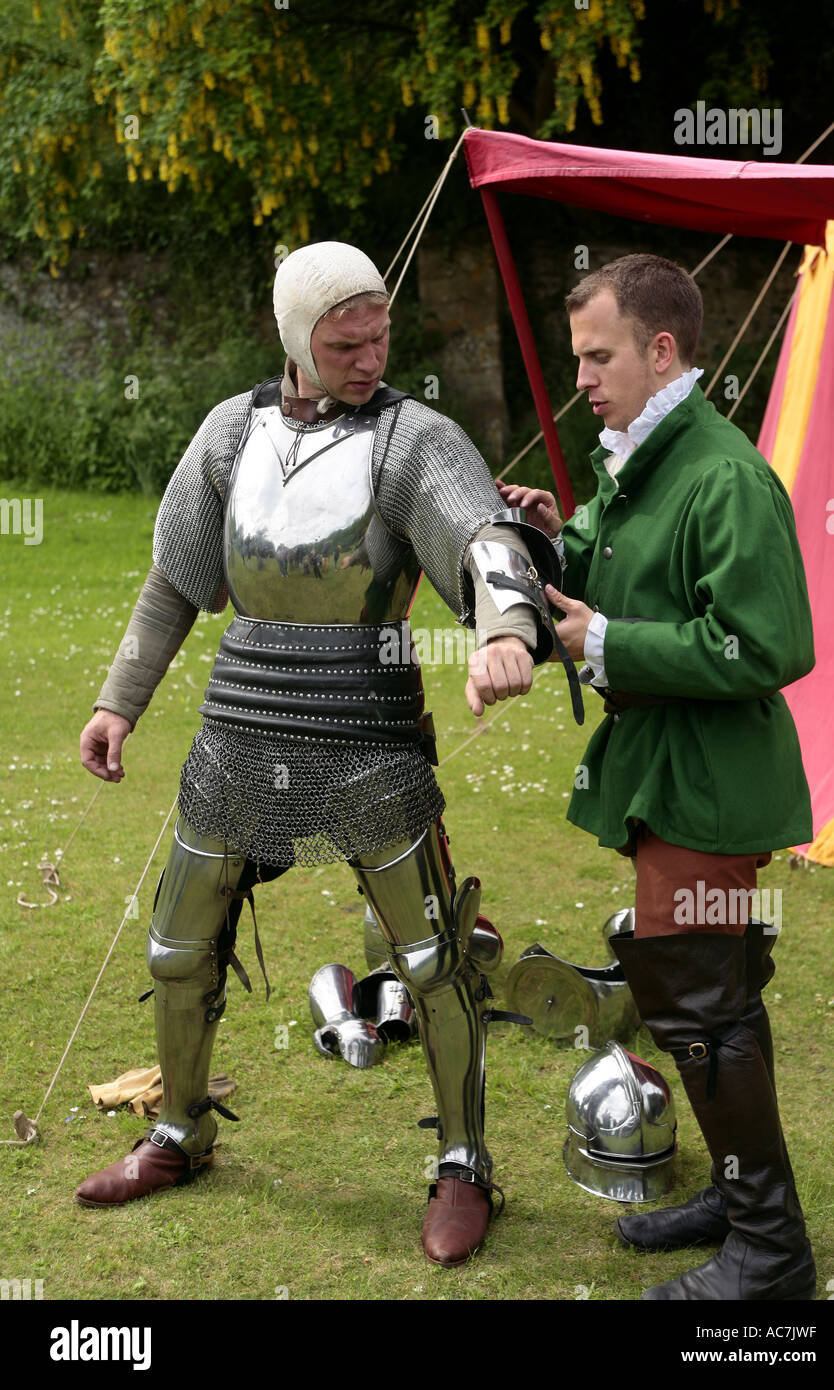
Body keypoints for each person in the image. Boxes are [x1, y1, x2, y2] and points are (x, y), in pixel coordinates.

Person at [75, 240, 560, 1268]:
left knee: (429, 959)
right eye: (345, 340)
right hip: (240, 719)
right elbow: (175, 581)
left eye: (380, 335)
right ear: (296, 338)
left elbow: (482, 537)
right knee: (175, 946)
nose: (369, 355)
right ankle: (179, 1131)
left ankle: (466, 1164)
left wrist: (505, 630)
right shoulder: (227, 435)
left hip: (368, 728)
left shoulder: (408, 438)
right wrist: (120, 702)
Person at [493, 253, 816, 1301]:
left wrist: (610, 643)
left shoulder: (720, 473)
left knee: (696, 996)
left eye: (600, 356)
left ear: (661, 350)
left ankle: (770, 1254)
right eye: (578, 357)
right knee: (704, 995)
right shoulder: (640, 457)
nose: (581, 376)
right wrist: (549, 542)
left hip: (712, 779)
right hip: (664, 771)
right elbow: (597, 565)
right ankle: (736, 1192)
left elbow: (764, 646)